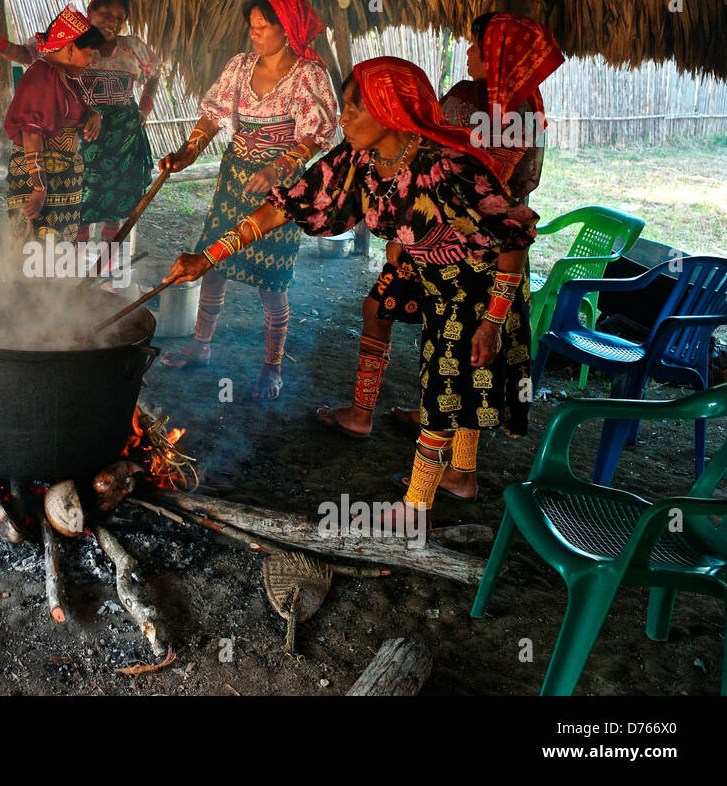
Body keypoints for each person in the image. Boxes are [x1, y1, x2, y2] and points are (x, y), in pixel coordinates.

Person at [164, 57, 538, 522]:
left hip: (481, 286)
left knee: (447, 379)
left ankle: (416, 506)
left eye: (353, 109)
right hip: (428, 274)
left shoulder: (449, 166)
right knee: (400, 327)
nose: (341, 118)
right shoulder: (359, 159)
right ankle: (454, 475)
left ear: (389, 110)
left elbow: (514, 238)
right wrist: (208, 257)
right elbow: (285, 208)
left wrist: (493, 323)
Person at [315, 13, 561, 500]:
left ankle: (370, 421)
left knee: (394, 318)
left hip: (435, 241)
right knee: (467, 352)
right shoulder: (528, 109)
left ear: (499, 55)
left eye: (476, 46)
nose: (469, 55)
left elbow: (419, 157)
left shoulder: (466, 102)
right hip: (497, 253)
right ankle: (460, 470)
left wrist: (399, 235)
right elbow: (523, 189)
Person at [157, 0, 338, 400]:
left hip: (280, 189)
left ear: (287, 29)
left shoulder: (308, 74)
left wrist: (278, 169)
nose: (254, 34)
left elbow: (315, 137)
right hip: (234, 178)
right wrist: (188, 152)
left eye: (263, 27)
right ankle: (201, 346)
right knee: (213, 263)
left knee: (271, 281)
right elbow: (215, 113)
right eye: (252, 26)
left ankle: (272, 367)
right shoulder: (240, 66)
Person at [0, 0, 160, 269]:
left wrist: (138, 109)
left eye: (119, 18)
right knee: (65, 221)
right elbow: (28, 56)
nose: (112, 22)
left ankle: (102, 274)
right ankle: (71, 277)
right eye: (105, 14)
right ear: (89, 13)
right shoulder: (49, 71)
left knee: (107, 209)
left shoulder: (121, 53)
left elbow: (153, 74)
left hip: (113, 145)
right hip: (64, 154)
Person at [1, 4, 105, 247]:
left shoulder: (66, 78)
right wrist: (38, 189)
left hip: (62, 179)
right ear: (69, 48)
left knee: (56, 250)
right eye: (89, 54)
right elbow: (31, 135)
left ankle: (55, 287)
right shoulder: (40, 77)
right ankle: (28, 287)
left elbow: (79, 112)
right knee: (33, 249)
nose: (90, 61)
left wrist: (93, 116)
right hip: (39, 180)